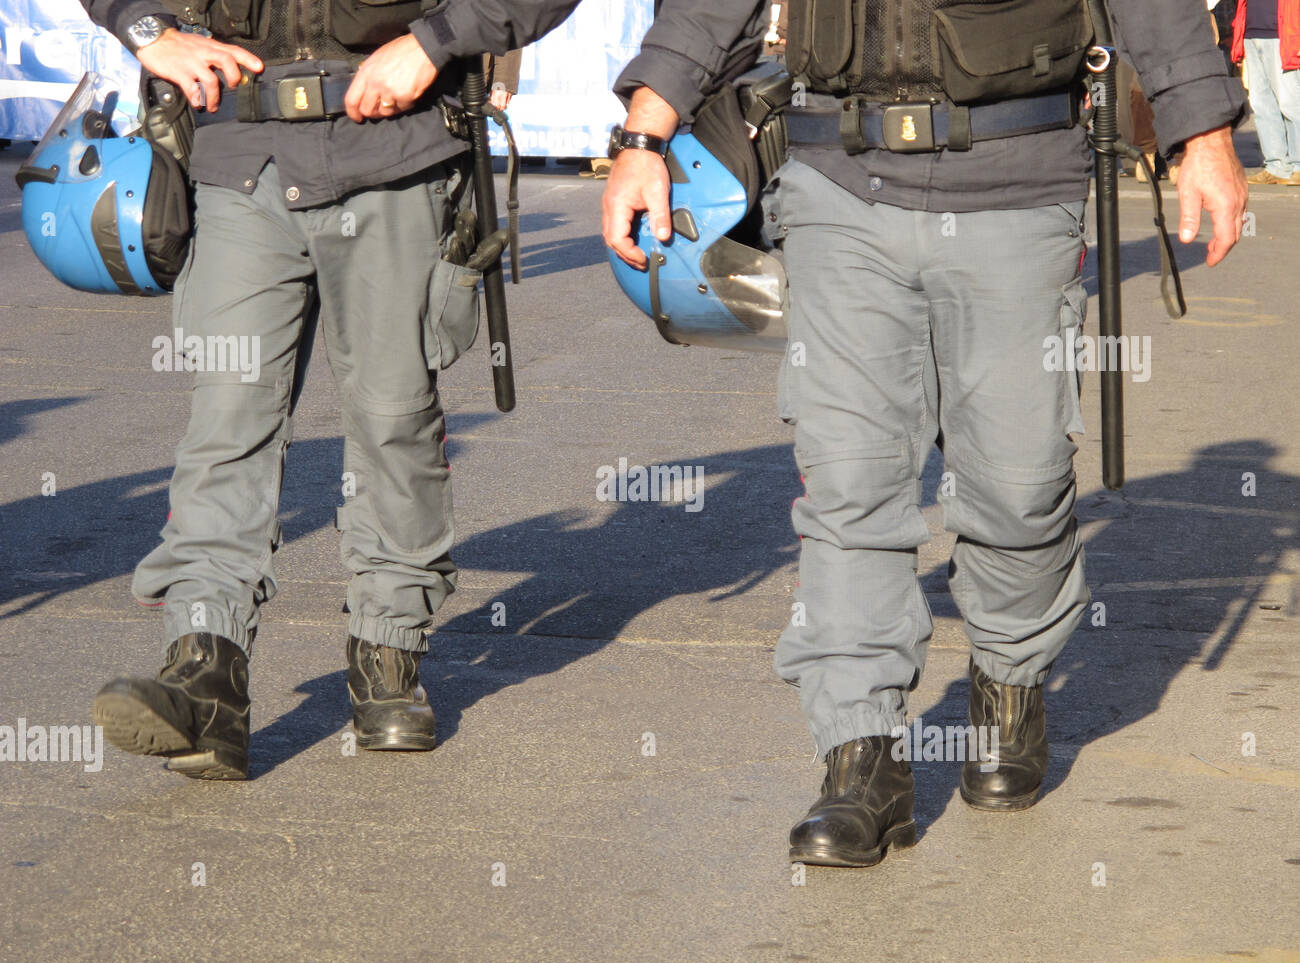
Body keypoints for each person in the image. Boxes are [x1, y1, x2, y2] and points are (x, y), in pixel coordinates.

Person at [603, 0, 1248, 866]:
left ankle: (1012, 677)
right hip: (840, 180)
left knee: (1018, 487)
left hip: (1019, 181)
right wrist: (645, 137)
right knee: (849, 481)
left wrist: (1199, 131)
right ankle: (860, 760)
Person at [81, 0, 577, 779]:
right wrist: (146, 28)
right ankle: (204, 676)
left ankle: (388, 657)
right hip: (238, 160)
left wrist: (433, 42)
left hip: (395, 156)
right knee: (227, 423)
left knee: (394, 422)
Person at [1230, 0, 1300, 183]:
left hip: (1284, 33)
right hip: (1252, 32)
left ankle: (1298, 166)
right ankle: (1277, 166)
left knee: (1290, 103)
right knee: (1262, 105)